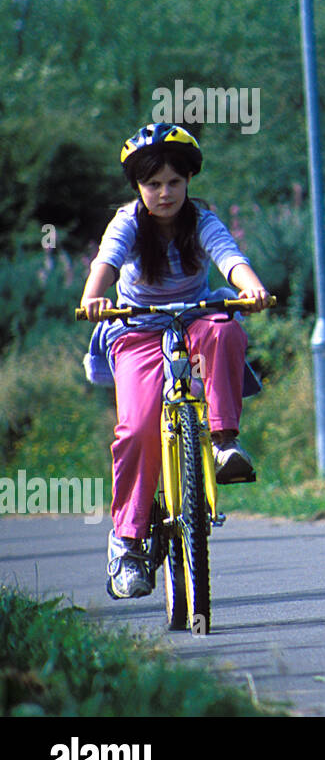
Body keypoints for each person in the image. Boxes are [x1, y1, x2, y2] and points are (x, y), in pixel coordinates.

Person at [80, 123, 272, 599]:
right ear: (137, 187)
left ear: (188, 183)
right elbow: (105, 261)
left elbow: (229, 258)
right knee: (138, 427)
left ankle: (224, 443)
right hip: (137, 328)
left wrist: (250, 287)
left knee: (224, 326)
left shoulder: (202, 221)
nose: (164, 193)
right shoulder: (127, 222)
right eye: (153, 184)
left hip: (192, 320)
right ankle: (126, 542)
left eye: (174, 183)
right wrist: (93, 297)